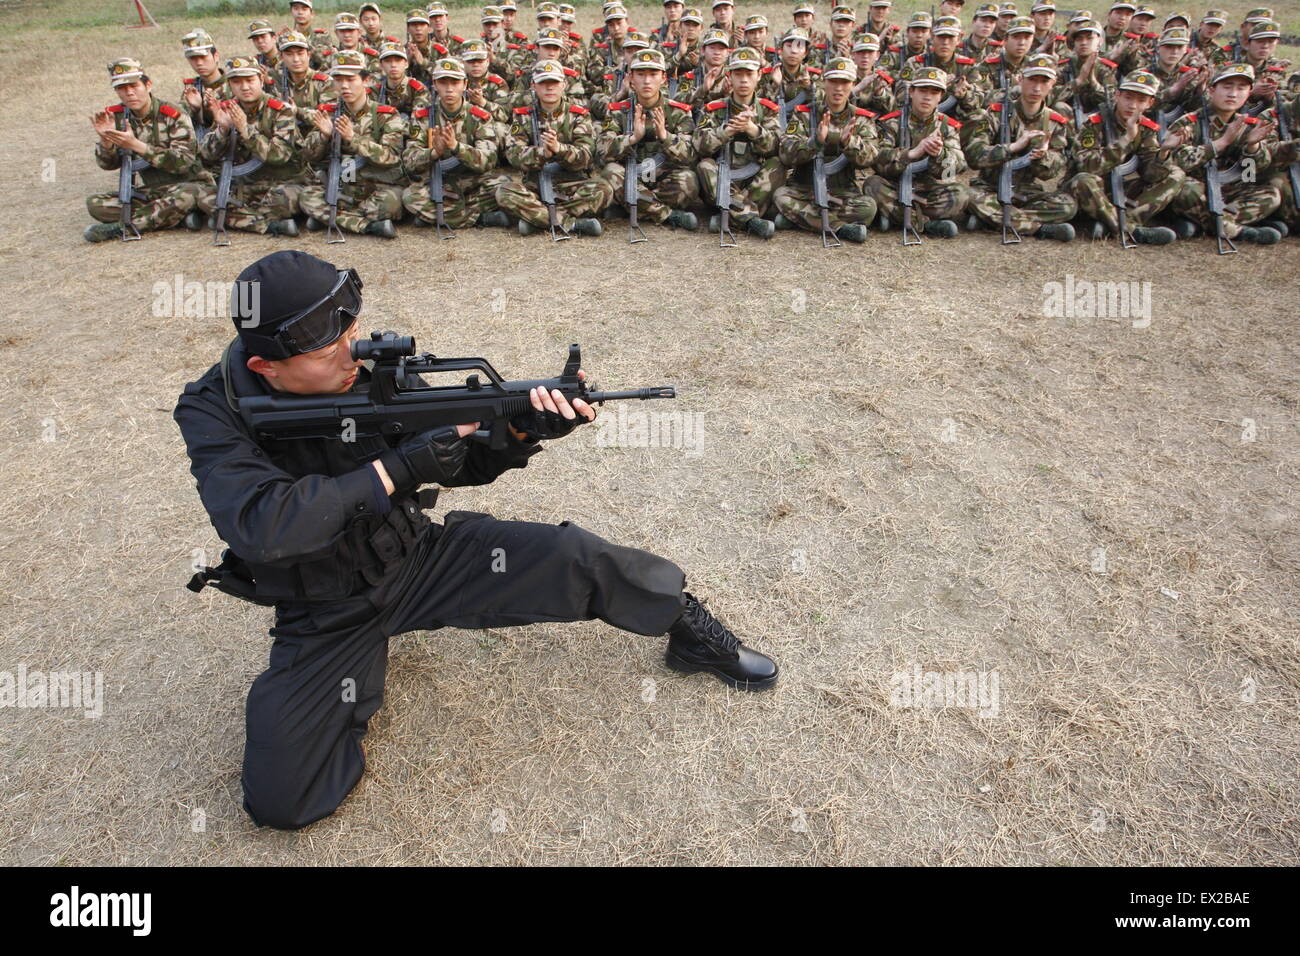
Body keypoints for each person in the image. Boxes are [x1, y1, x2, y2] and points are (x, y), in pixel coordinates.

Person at [174, 250, 778, 829]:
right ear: (266, 367)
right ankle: (348, 685)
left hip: (415, 558)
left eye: (350, 329)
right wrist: (397, 469)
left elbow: (459, 459)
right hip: (324, 607)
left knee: (577, 558)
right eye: (327, 346)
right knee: (282, 800)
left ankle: (685, 624)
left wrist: (520, 428)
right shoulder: (213, 411)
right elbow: (262, 525)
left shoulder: (376, 375)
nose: (350, 349)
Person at [86, 57, 209, 242]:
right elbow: (108, 164)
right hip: (152, 191)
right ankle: (176, 217)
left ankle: (123, 228)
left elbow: (183, 162)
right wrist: (106, 141)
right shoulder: (119, 118)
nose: (129, 93)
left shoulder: (173, 114)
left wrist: (136, 145)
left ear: (148, 85)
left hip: (188, 185)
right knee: (95, 204)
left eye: (134, 86)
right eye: (122, 88)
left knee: (188, 195)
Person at [1163, 62, 1282, 244]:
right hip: (1197, 189)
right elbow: (1177, 163)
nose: (1233, 94)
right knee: (1184, 189)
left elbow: (1250, 175)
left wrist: (1252, 147)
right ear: (1211, 90)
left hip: (1229, 191)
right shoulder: (1188, 122)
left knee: (1271, 194)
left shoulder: (1248, 126)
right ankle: (1234, 230)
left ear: (1249, 93)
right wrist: (1220, 143)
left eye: (1241, 88)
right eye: (1227, 87)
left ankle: (1208, 223)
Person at [965, 52, 1078, 240]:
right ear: (1020, 79)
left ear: (1053, 84)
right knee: (968, 196)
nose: (1037, 87)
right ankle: (1039, 229)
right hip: (990, 187)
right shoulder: (996, 114)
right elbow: (974, 156)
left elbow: (1051, 172)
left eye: (1044, 81)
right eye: (1032, 80)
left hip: (1026, 191)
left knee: (1068, 205)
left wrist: (1043, 157)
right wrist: (1012, 148)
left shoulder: (1054, 122)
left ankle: (996, 219)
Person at [1064, 69, 1183, 243]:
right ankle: (1130, 230)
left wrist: (1163, 153)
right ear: (1117, 95)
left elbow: (1151, 174)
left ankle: (1119, 221)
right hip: (1088, 191)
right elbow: (1087, 166)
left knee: (1175, 174)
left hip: (1119, 189)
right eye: (1128, 98)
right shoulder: (1094, 124)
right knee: (1084, 179)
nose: (1133, 105)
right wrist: (1126, 140)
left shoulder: (1147, 130)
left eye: (1141, 100)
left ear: (1150, 103)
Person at [298, 50, 408, 238]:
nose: (345, 86)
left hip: (377, 187)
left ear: (365, 81)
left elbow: (392, 157)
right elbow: (308, 156)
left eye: (351, 79)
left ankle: (329, 218)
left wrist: (353, 138)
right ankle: (368, 226)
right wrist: (324, 136)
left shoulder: (386, 115)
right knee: (306, 197)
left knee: (393, 202)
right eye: (339, 80)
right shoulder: (328, 113)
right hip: (339, 186)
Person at [496, 59, 612, 236]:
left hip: (573, 184)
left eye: (554, 82)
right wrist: (541, 153)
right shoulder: (522, 117)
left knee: (604, 189)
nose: (549, 88)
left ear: (564, 84)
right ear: (534, 85)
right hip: (535, 186)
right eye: (543, 82)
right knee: (504, 191)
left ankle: (537, 220)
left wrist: (559, 149)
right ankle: (572, 224)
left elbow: (587, 155)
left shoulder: (579, 116)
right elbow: (513, 155)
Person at [773, 56, 880, 242]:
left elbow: (871, 158)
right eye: (833, 81)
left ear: (853, 83)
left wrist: (850, 143)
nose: (838, 88)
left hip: (843, 192)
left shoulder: (861, 119)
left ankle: (801, 218)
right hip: (804, 189)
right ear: (824, 82)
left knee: (868, 208)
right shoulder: (804, 114)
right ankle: (839, 227)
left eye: (845, 82)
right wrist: (815, 142)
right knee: (780, 196)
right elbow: (785, 153)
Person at [195, 55, 302, 237]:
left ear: (260, 80)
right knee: (204, 196)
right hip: (244, 188)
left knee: (286, 198)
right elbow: (206, 155)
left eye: (250, 80)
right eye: (237, 82)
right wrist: (223, 130)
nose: (244, 87)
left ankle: (233, 219)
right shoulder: (227, 110)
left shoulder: (280, 110)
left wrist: (245, 129)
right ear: (229, 85)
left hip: (281, 184)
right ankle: (270, 226)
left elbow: (280, 155)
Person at [401, 56, 511, 229]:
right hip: (438, 181)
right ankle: (480, 219)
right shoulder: (422, 117)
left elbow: (487, 160)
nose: (449, 88)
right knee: (410, 197)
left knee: (504, 186)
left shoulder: (479, 117)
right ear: (435, 85)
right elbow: (409, 160)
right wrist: (433, 153)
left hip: (473, 182)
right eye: (443, 82)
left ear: (465, 85)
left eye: (455, 82)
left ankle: (438, 215)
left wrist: (456, 147)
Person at [597, 47, 701, 230]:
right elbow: (601, 151)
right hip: (629, 175)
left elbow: (690, 155)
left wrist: (665, 137)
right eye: (641, 74)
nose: (646, 81)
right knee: (610, 172)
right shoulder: (618, 110)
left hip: (663, 178)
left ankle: (632, 204)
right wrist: (632, 138)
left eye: (653, 74)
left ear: (663, 78)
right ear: (631, 78)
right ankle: (666, 214)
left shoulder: (678, 111)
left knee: (689, 181)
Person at [867, 65, 970, 237]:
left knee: (961, 195)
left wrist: (939, 154)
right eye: (923, 90)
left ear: (941, 97)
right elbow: (878, 160)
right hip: (896, 186)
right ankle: (926, 224)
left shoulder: (947, 126)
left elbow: (955, 167)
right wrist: (911, 154)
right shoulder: (893, 122)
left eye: (934, 92)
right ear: (912, 92)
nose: (927, 97)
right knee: (872, 185)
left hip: (930, 190)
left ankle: (897, 218)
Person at [694, 46, 786, 238]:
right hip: (723, 180)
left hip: (754, 183)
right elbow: (699, 145)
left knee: (777, 165)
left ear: (759, 75)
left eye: (749, 73)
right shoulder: (714, 109)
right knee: (704, 166)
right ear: (729, 77)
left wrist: (753, 130)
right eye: (738, 74)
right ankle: (750, 220)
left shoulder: (768, 110)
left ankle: (729, 217)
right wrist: (727, 130)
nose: (744, 80)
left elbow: (777, 146)